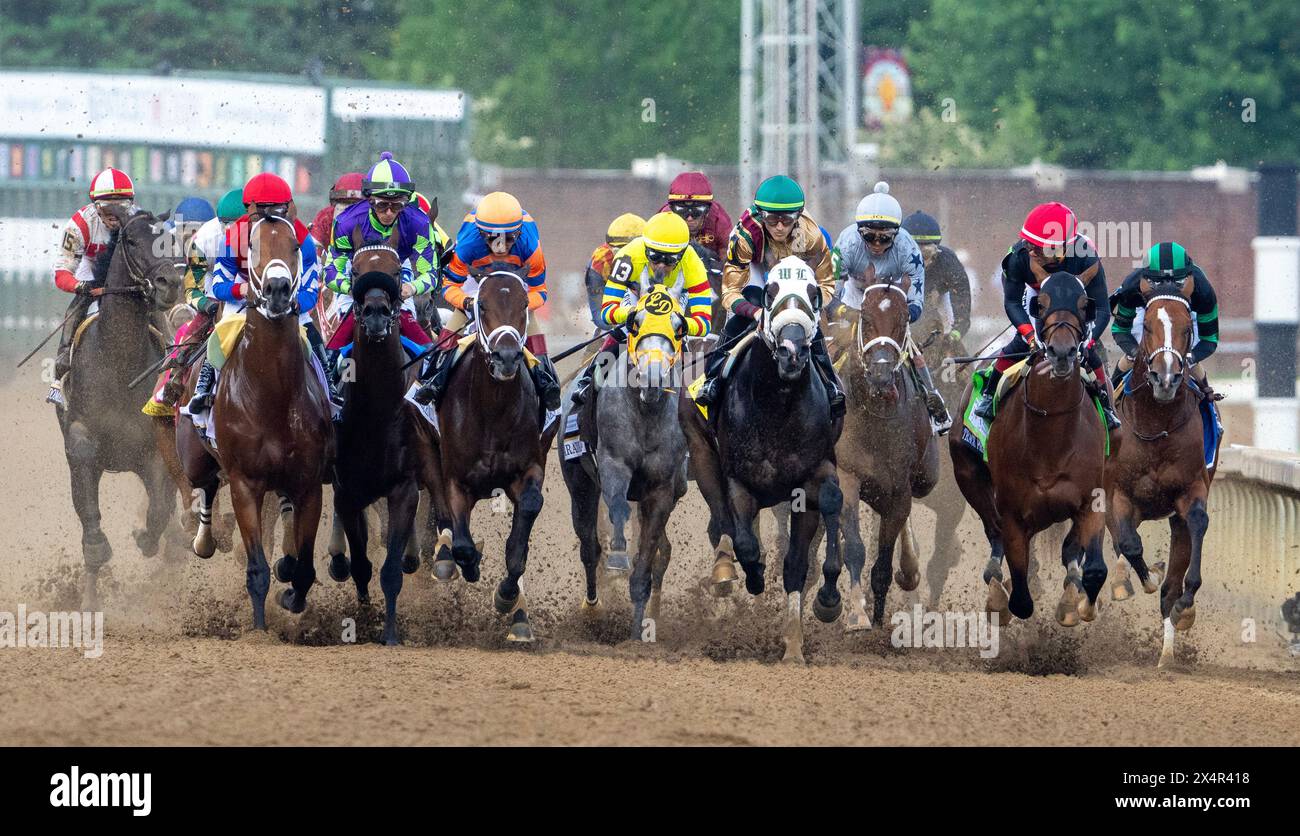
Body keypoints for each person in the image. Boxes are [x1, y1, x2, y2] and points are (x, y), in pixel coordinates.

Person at [692, 174, 843, 417]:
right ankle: (713, 379)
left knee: (808, 324)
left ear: (798, 217)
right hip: (756, 271)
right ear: (762, 216)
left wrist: (809, 309)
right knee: (743, 313)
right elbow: (730, 292)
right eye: (772, 220)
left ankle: (831, 384)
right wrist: (757, 311)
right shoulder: (744, 236)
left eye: (786, 220)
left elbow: (826, 283)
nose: (780, 227)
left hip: (794, 273)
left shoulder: (812, 235)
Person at [972, 201, 1120, 430]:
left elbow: (1102, 309)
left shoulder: (1087, 257)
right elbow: (1012, 302)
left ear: (1064, 249)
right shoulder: (1019, 256)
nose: (1032, 251)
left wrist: (1087, 342)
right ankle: (989, 395)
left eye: (1040, 248)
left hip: (1074, 296)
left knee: (1089, 352)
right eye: (1030, 244)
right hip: (1036, 291)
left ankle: (1107, 407)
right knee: (1019, 342)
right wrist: (1031, 337)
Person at [186, 172, 325, 414]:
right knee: (223, 329)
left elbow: (310, 293)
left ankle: (329, 388)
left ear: (288, 207)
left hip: (286, 295)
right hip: (245, 293)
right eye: (261, 209)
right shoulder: (235, 235)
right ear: (248, 209)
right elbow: (218, 286)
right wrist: (242, 289)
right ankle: (203, 388)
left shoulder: (303, 239)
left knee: (312, 335)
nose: (268, 215)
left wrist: (291, 303)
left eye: (276, 208)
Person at [412, 191, 562, 411]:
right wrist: (466, 303)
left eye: (508, 239)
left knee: (528, 316)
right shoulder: (469, 243)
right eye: (491, 238)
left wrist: (516, 305)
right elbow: (450, 286)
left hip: (514, 281)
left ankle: (544, 375)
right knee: (459, 315)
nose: (500, 247)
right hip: (477, 277)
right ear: (481, 232)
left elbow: (539, 290)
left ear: (519, 233)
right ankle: (437, 376)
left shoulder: (530, 244)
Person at [835, 184, 952, 433]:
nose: (877, 243)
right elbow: (830, 294)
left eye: (885, 238)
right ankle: (829, 392)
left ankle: (932, 398)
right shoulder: (846, 244)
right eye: (869, 237)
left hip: (894, 298)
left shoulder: (909, 250)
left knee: (909, 347)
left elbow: (916, 301)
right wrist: (845, 313)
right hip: (857, 296)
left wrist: (904, 317)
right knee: (836, 340)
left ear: (896, 234)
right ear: (859, 233)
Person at [570, 212, 712, 405]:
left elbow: (704, 324)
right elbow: (606, 312)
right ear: (645, 249)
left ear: (681, 255)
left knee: (683, 340)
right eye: (654, 257)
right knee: (620, 331)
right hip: (636, 293)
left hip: (675, 295)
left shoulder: (693, 264)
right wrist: (631, 315)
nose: (660, 265)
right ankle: (589, 380)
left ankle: (700, 395)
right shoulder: (628, 256)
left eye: (669, 260)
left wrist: (681, 325)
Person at [321, 153, 440, 382]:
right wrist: (351, 288)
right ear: (369, 199)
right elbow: (331, 271)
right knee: (345, 333)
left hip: (397, 271)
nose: (389, 212)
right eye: (382, 204)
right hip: (356, 274)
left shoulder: (419, 222)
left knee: (421, 340)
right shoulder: (346, 222)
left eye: (397, 206)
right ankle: (341, 388)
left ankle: (426, 383)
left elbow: (430, 273)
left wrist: (410, 289)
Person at [144, 189, 245, 415]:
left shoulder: (264, 235)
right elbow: (192, 289)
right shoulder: (203, 242)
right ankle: (175, 379)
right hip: (213, 291)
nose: (233, 232)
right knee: (186, 334)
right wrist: (206, 305)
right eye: (185, 230)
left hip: (251, 292)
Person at [46, 168, 138, 406]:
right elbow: (61, 273)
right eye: (109, 209)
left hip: (125, 274)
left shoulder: (140, 223)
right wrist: (81, 287)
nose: (115, 216)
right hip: (90, 268)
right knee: (77, 308)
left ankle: (170, 351)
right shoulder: (79, 225)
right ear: (96, 207)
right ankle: (62, 366)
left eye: (122, 208)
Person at [1109, 242, 1221, 399]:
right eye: (1156, 283)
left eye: (1178, 282)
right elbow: (1120, 330)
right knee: (1132, 358)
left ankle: (1209, 404)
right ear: (1144, 278)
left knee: (1190, 360)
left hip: (1188, 311)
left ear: (1189, 277)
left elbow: (1209, 339)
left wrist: (1191, 357)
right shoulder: (1131, 287)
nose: (1167, 287)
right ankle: (1110, 400)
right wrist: (1136, 352)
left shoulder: (1203, 290)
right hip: (1146, 309)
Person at [901, 210, 972, 351]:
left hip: (939, 300)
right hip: (903, 298)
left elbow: (961, 294)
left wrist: (956, 332)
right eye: (913, 254)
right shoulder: (892, 258)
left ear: (936, 250)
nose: (919, 261)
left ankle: (954, 370)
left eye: (925, 253)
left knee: (951, 346)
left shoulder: (948, 261)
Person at [585, 213, 646, 333]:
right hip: (617, 320)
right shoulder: (599, 263)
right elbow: (598, 314)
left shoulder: (659, 260)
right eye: (621, 250)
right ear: (610, 248)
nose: (627, 255)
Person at [660, 171, 732, 263]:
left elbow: (728, 264)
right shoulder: (663, 220)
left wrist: (709, 256)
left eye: (697, 211)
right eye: (682, 211)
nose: (689, 218)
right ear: (672, 210)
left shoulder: (720, 222)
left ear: (707, 210)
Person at [310, 172, 364, 249]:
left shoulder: (380, 221)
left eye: (357, 205)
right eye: (344, 203)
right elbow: (313, 254)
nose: (350, 211)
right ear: (334, 204)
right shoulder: (325, 218)